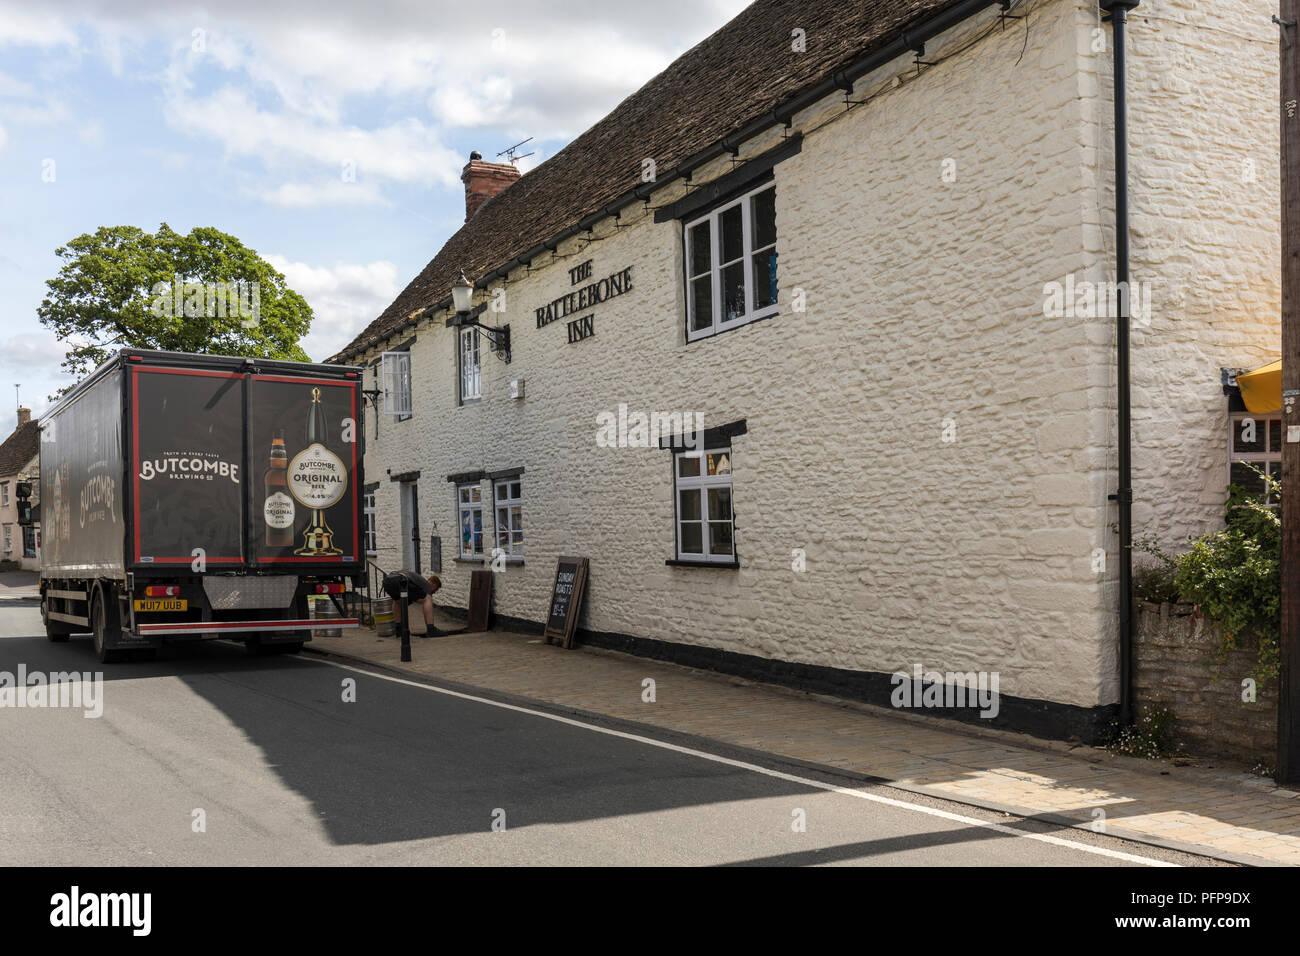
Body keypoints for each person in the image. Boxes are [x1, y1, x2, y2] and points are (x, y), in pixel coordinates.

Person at [382, 570, 442, 637]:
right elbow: (422, 598)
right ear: (433, 585)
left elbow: (412, 597)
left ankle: (399, 630)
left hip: (387, 581)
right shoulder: (426, 585)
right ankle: (431, 629)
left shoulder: (418, 580)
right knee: (427, 599)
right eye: (435, 590)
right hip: (401, 579)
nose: (434, 592)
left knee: (398, 602)